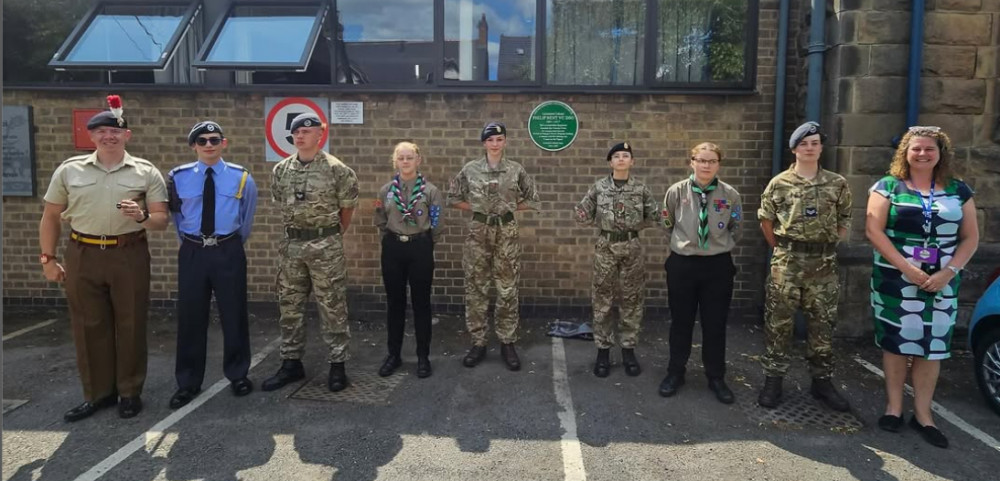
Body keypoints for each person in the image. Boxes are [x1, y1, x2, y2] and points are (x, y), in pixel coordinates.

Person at [39, 96, 169, 421]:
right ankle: (98, 394)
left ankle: (129, 391)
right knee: (88, 324)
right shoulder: (70, 170)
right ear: (91, 136)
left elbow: (161, 221)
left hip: (129, 253)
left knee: (131, 322)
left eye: (115, 131)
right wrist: (48, 259)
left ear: (128, 135)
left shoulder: (145, 171)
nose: (108, 136)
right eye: (101, 132)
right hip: (82, 253)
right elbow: (51, 216)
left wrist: (141, 217)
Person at [865, 126, 977, 448]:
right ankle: (893, 408)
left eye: (930, 149)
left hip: (942, 281)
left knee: (933, 347)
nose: (923, 154)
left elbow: (971, 237)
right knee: (896, 343)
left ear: (941, 153)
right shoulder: (888, 186)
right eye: (916, 149)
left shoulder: (959, 191)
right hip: (895, 278)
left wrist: (949, 271)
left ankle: (924, 415)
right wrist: (907, 269)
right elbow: (874, 230)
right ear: (905, 152)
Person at [757, 121, 853, 412]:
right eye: (804, 144)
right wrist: (783, 248)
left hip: (823, 265)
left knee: (822, 325)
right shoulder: (780, 183)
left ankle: (821, 382)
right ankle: (773, 380)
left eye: (814, 143)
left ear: (821, 147)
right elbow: (766, 220)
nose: (809, 148)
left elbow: (844, 219)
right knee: (779, 324)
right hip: (787, 262)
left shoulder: (837, 183)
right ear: (795, 149)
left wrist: (826, 243)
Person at [264, 113, 359, 393]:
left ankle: (338, 365)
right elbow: (281, 202)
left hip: (325, 246)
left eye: (308, 131)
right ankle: (291, 363)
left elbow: (347, 209)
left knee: (332, 306)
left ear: (320, 135)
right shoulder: (281, 170)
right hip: (292, 247)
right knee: (290, 307)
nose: (301, 136)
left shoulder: (337, 170)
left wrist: (330, 235)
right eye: (297, 132)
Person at [165, 121, 257, 409]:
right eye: (202, 140)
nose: (209, 145)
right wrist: (192, 242)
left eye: (214, 140)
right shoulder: (178, 178)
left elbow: (247, 217)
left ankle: (238, 374)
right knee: (191, 317)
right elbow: (177, 217)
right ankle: (188, 381)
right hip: (193, 250)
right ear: (193, 146)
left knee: (234, 313)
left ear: (223, 143)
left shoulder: (242, 177)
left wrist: (228, 243)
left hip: (228, 249)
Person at [447, 121, 540, 371]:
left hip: (506, 233)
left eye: (499, 139)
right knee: (476, 288)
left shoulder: (516, 170)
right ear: (484, 144)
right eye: (490, 140)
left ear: (505, 142)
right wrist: (477, 208)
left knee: (507, 290)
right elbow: (453, 198)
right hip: (478, 233)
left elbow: (532, 199)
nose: (495, 144)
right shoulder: (470, 169)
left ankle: (507, 342)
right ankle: (478, 342)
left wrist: (509, 209)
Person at [659, 142, 742, 404]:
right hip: (683, 265)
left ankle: (716, 377)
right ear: (691, 162)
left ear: (718, 164)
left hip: (717, 265)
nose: (706, 165)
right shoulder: (676, 192)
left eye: (712, 161)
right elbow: (667, 223)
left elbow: (735, 224)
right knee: (680, 322)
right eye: (701, 160)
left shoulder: (730, 194)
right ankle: (675, 372)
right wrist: (685, 244)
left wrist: (715, 245)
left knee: (715, 323)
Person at [573, 142, 658, 378]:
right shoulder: (599, 187)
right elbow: (581, 213)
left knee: (632, 299)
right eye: (616, 156)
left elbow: (654, 215)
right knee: (603, 300)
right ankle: (603, 350)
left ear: (632, 161)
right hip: (606, 247)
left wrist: (635, 226)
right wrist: (601, 224)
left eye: (626, 156)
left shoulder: (640, 189)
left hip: (632, 247)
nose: (621, 159)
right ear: (610, 162)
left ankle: (628, 350)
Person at [373, 142, 444, 378]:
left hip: (420, 248)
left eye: (410, 157)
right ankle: (393, 355)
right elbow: (380, 220)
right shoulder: (385, 191)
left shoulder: (430, 191)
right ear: (396, 161)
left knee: (421, 303)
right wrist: (392, 239)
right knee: (395, 304)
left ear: (418, 160)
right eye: (401, 158)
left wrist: (423, 242)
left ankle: (423, 357)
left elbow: (437, 223)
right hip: (393, 248)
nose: (405, 162)